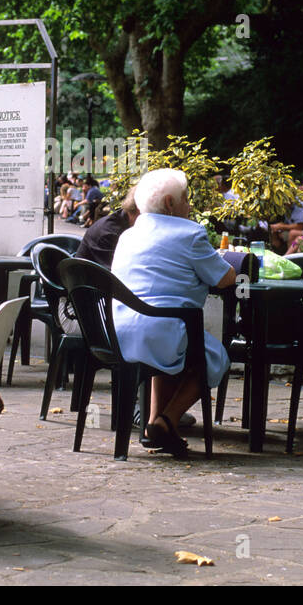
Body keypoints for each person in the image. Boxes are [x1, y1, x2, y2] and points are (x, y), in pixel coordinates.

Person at [110, 169, 236, 459]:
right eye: (186, 199)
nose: (189, 206)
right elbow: (224, 279)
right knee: (215, 356)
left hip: (118, 332)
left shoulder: (128, 236)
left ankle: (153, 428)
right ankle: (168, 420)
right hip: (162, 331)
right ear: (170, 202)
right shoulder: (190, 233)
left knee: (170, 341)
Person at [74, 185, 139, 269]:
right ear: (139, 209)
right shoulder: (111, 232)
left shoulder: (123, 221)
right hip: (88, 279)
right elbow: (118, 273)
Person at [270, 183, 303, 253]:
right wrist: (279, 227)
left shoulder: (300, 204)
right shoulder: (288, 206)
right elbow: (289, 224)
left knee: (293, 233)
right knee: (275, 232)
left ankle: (291, 257)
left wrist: (281, 226)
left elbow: (299, 227)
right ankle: (277, 252)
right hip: (302, 232)